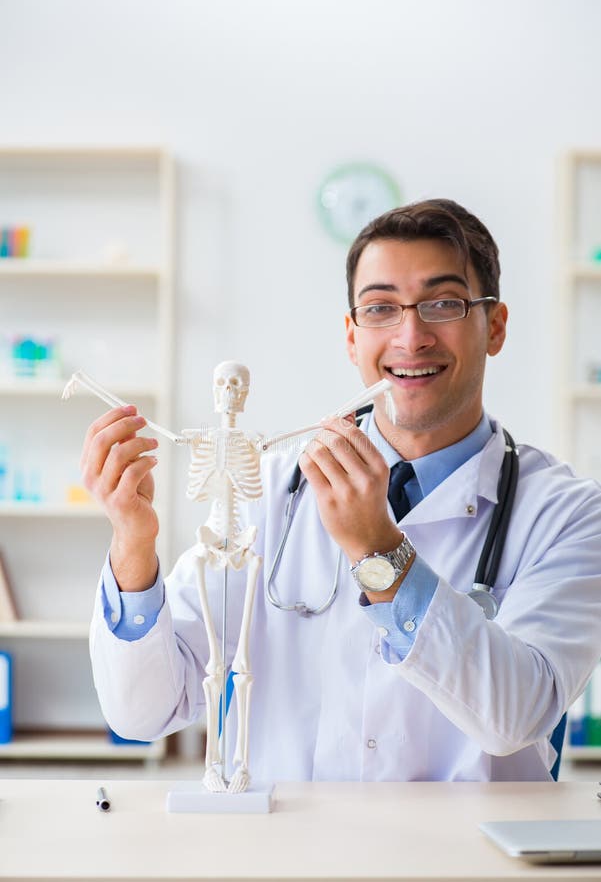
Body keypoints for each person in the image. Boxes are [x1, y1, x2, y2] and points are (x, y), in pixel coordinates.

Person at [85, 198, 601, 782]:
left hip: (463, 841)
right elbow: (143, 712)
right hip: (290, 837)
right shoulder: (274, 490)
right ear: (352, 337)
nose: (411, 336)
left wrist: (379, 551)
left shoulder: (568, 514)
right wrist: (133, 545)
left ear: (495, 327)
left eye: (443, 303)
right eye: (380, 308)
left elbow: (518, 715)